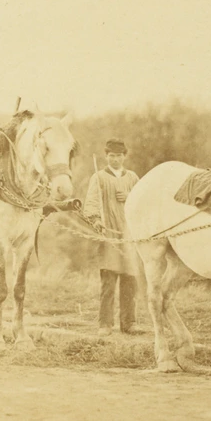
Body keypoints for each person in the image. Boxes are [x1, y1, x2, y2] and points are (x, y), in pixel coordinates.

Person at [84, 138, 140, 335]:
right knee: (108, 282)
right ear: (106, 156)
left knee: (130, 281)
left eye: (118, 156)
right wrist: (96, 220)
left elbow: (142, 202)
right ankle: (105, 324)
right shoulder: (98, 177)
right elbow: (90, 202)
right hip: (109, 234)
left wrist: (130, 197)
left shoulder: (132, 177)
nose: (115, 159)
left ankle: (129, 323)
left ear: (124, 156)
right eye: (111, 156)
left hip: (129, 235)